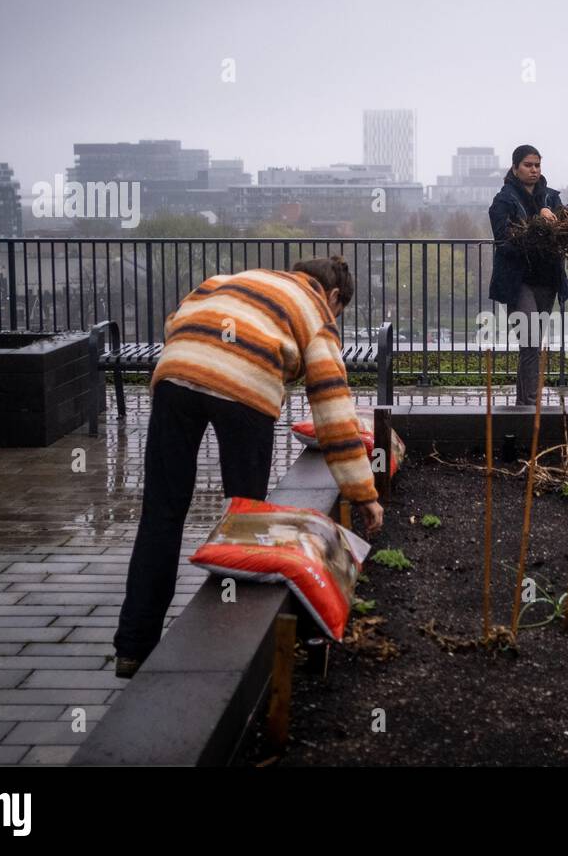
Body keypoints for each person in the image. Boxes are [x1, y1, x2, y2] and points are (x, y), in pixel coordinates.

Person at [113, 255, 384, 678]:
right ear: (333, 296)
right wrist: (362, 492)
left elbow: (177, 321)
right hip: (245, 388)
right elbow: (333, 410)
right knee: (245, 518)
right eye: (340, 312)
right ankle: (233, 644)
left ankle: (133, 646)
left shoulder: (232, 279)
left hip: (176, 373)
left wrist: (201, 361)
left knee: (161, 515)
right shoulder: (316, 312)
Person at [487, 144, 568, 405]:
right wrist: (538, 222)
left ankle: (524, 404)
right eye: (528, 165)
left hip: (547, 280)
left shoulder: (552, 199)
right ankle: (532, 404)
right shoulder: (502, 202)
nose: (534, 170)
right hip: (518, 281)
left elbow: (563, 235)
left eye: (537, 165)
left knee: (531, 345)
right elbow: (504, 240)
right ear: (515, 168)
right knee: (531, 338)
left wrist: (555, 222)